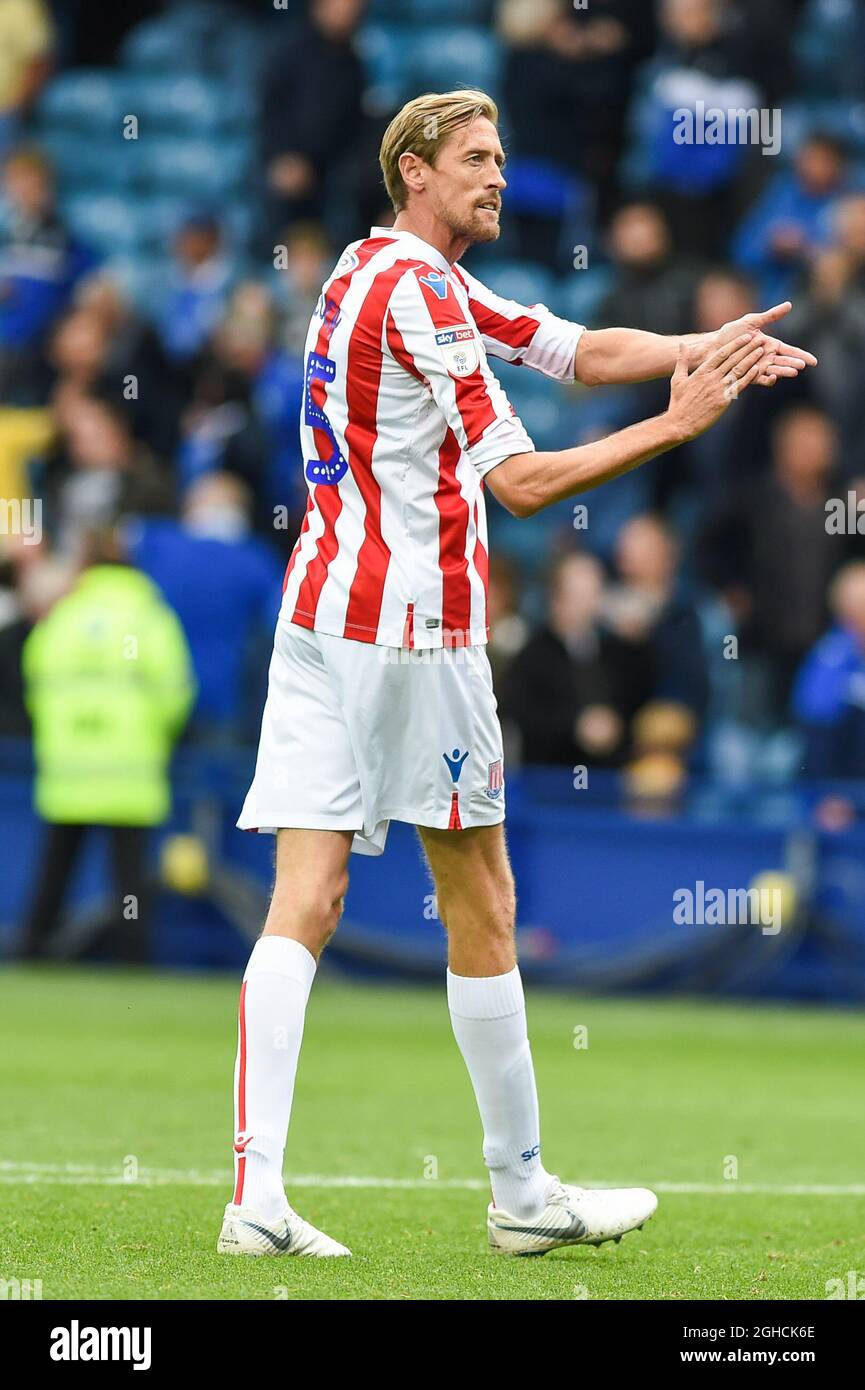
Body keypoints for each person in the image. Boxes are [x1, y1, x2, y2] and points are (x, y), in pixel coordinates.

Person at [218, 89, 816, 1261]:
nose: (497, 176)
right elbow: (523, 482)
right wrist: (677, 427)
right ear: (415, 173)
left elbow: (577, 350)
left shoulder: (364, 269)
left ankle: (257, 1194)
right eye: (476, 160)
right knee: (483, 897)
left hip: (320, 610)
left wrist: (707, 344)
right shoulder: (426, 296)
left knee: (307, 896)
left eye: (500, 157)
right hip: (411, 629)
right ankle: (521, 1192)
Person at [17, 527, 196, 964]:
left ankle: (32, 953)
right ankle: (132, 959)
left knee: (55, 871)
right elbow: (177, 691)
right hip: (131, 770)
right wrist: (151, 737)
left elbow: (35, 682)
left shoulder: (62, 616)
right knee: (129, 880)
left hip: (68, 768)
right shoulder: (149, 617)